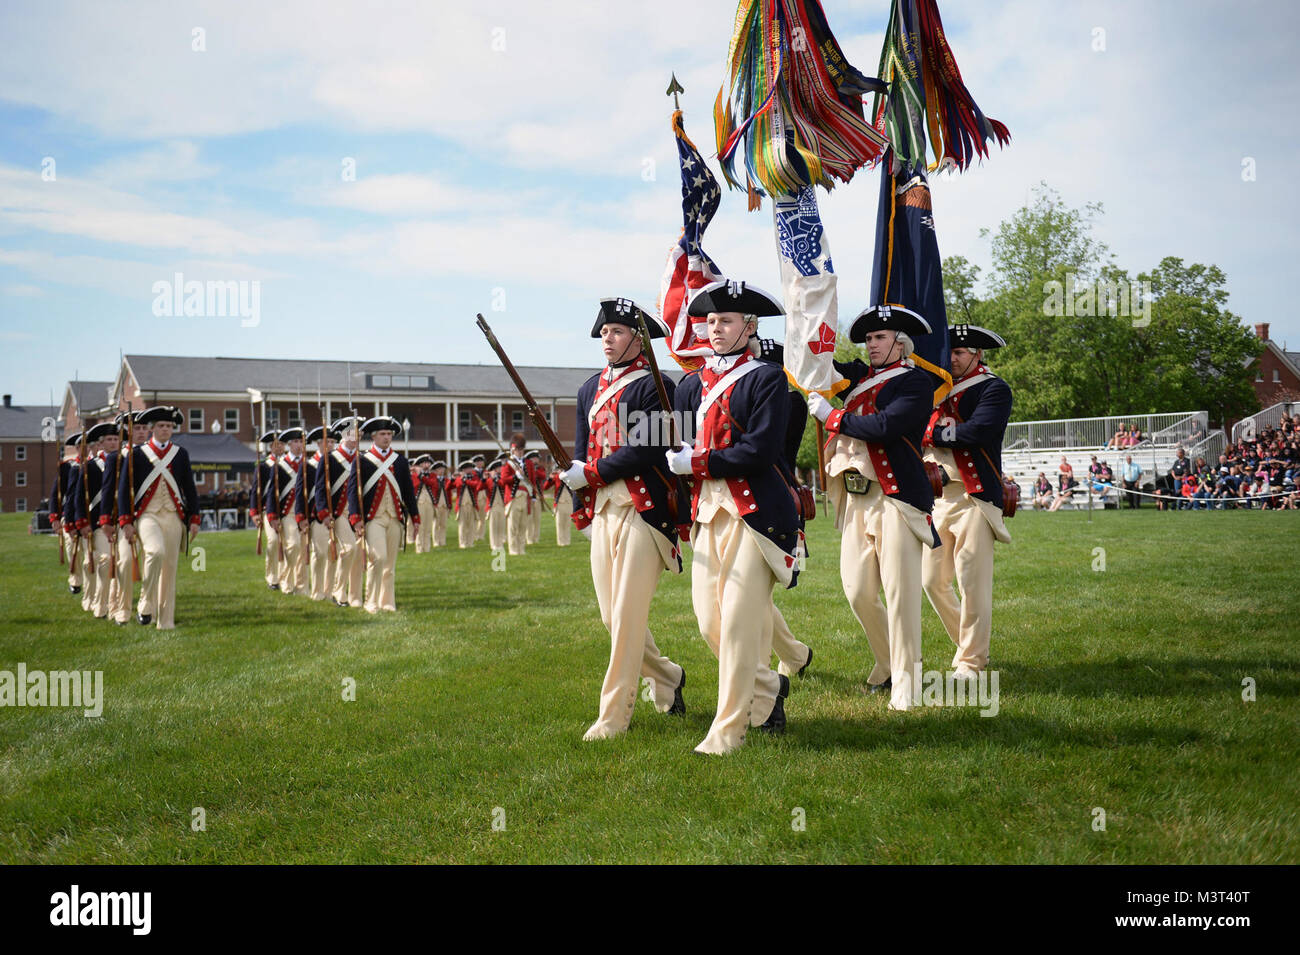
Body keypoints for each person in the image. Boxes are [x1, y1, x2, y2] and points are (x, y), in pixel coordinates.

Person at [667, 281, 802, 751]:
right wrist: (676, 455)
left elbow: (761, 450)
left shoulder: (768, 379)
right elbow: (678, 442)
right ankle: (768, 690)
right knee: (709, 621)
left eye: (725, 321)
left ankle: (728, 730)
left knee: (742, 622)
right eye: (709, 321)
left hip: (756, 513)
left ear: (750, 328)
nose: (714, 329)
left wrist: (699, 462)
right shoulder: (690, 386)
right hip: (707, 510)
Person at [558, 296, 687, 741]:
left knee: (628, 616)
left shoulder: (657, 385)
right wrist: (580, 501)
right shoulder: (588, 389)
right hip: (604, 507)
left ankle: (613, 717)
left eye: (615, 332)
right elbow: (580, 451)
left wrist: (591, 473)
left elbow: (647, 449)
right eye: (604, 333)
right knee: (611, 618)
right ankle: (669, 675)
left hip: (644, 509)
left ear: (638, 339)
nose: (606, 340)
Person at [808, 302, 937, 709]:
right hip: (856, 499)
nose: (872, 344)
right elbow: (819, 363)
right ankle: (887, 663)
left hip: (895, 498)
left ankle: (908, 680)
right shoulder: (862, 377)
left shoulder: (917, 383)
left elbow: (885, 427)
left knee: (901, 595)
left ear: (901, 344)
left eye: (880, 337)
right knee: (858, 591)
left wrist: (833, 418)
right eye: (868, 339)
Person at [921, 324, 1013, 678]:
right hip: (939, 498)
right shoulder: (936, 388)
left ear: (978, 355)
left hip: (974, 497)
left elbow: (978, 431)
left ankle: (972, 660)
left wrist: (933, 432)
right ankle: (968, 646)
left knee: (971, 583)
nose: (954, 358)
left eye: (961, 352)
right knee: (931, 581)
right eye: (951, 352)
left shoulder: (993, 388)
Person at [117, 406, 200, 629]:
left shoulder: (180, 454)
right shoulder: (137, 454)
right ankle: (145, 602)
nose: (165, 429)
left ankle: (165, 621)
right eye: (161, 426)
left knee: (170, 568)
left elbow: (189, 488)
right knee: (155, 552)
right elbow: (124, 489)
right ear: (153, 428)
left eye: (169, 426)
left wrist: (194, 518)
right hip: (147, 515)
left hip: (173, 515)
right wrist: (125, 521)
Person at [347, 416, 420, 613]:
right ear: (373, 436)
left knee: (390, 564)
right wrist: (355, 518)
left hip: (395, 517)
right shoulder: (362, 460)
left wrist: (415, 516)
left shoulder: (401, 461)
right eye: (383, 434)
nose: (387, 437)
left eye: (389, 434)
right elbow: (353, 491)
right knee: (377, 558)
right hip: (374, 518)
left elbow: (408, 492)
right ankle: (371, 601)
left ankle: (387, 602)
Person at [70, 422, 121, 619]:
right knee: (106, 562)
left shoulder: (126, 463)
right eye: (109, 439)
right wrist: (81, 522)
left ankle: (115, 604)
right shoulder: (90, 466)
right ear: (100, 444)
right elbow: (79, 497)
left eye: (116, 439)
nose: (113, 443)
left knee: (120, 565)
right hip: (98, 523)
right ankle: (101, 604)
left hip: (121, 521)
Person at [316, 416, 363, 607]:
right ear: (344, 435)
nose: (356, 437)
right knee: (349, 549)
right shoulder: (330, 459)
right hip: (339, 512)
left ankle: (355, 595)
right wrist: (324, 513)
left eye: (359, 433)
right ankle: (338, 591)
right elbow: (320, 489)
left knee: (357, 555)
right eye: (353, 433)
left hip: (358, 513)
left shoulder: (363, 458)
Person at [297, 424, 340, 601]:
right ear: (317, 444)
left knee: (333, 555)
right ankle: (317, 591)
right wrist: (301, 517)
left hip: (337, 514)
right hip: (317, 516)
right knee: (320, 553)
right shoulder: (308, 466)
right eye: (325, 442)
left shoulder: (338, 464)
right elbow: (301, 493)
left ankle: (329, 591)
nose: (329, 445)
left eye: (332, 442)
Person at [265, 427, 308, 596]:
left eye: (301, 442)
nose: (299, 445)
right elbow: (272, 494)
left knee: (303, 550)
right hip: (288, 513)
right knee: (293, 546)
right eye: (295, 442)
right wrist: (272, 516)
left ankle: (302, 586)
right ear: (289, 444)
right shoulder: (280, 466)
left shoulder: (308, 464)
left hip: (304, 513)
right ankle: (286, 580)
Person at [253, 430, 287, 590]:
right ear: (270, 447)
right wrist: (255, 512)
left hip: (287, 509)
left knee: (288, 544)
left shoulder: (288, 465)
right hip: (269, 510)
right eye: (276, 444)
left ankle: (285, 577)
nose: (279, 447)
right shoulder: (264, 466)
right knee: (273, 542)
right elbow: (256, 490)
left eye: (281, 443)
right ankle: (272, 577)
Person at [499, 436, 532, 556]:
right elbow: (503, 481)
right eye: (518, 449)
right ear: (513, 450)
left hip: (525, 497)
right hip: (513, 498)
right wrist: (515, 476)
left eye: (522, 449)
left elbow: (531, 480)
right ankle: (513, 550)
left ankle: (521, 549)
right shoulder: (508, 465)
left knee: (523, 526)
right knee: (513, 526)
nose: (520, 452)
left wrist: (532, 497)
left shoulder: (527, 463)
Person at [409, 454, 436, 553]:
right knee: (420, 526)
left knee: (428, 526)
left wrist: (421, 476)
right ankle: (419, 548)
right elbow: (415, 486)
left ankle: (427, 547)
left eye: (428, 463)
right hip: (419, 502)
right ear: (419, 465)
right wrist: (417, 474)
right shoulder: (413, 476)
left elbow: (432, 484)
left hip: (429, 502)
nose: (427, 465)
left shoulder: (432, 475)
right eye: (424, 463)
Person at [544, 462, 574, 546]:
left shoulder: (569, 477)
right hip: (559, 503)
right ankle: (561, 542)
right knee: (560, 523)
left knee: (567, 523)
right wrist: (550, 478)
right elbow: (545, 487)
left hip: (568, 502)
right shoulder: (556, 477)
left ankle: (567, 541)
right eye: (559, 469)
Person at [452, 460, 480, 548]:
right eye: (467, 468)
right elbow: (450, 486)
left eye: (470, 468)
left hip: (472, 504)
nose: (469, 470)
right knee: (462, 525)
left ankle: (470, 542)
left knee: (471, 524)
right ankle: (463, 543)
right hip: (462, 505)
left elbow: (476, 485)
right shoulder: (459, 479)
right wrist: (454, 478)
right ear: (463, 470)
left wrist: (466, 480)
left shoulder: (474, 477)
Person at [429, 460, 451, 547]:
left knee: (443, 524)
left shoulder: (446, 480)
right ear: (435, 471)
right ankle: (436, 541)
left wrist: (449, 505)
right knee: (436, 524)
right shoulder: (432, 480)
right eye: (439, 469)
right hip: (436, 504)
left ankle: (442, 540)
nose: (441, 471)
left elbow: (448, 493)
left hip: (444, 505)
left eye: (442, 469)